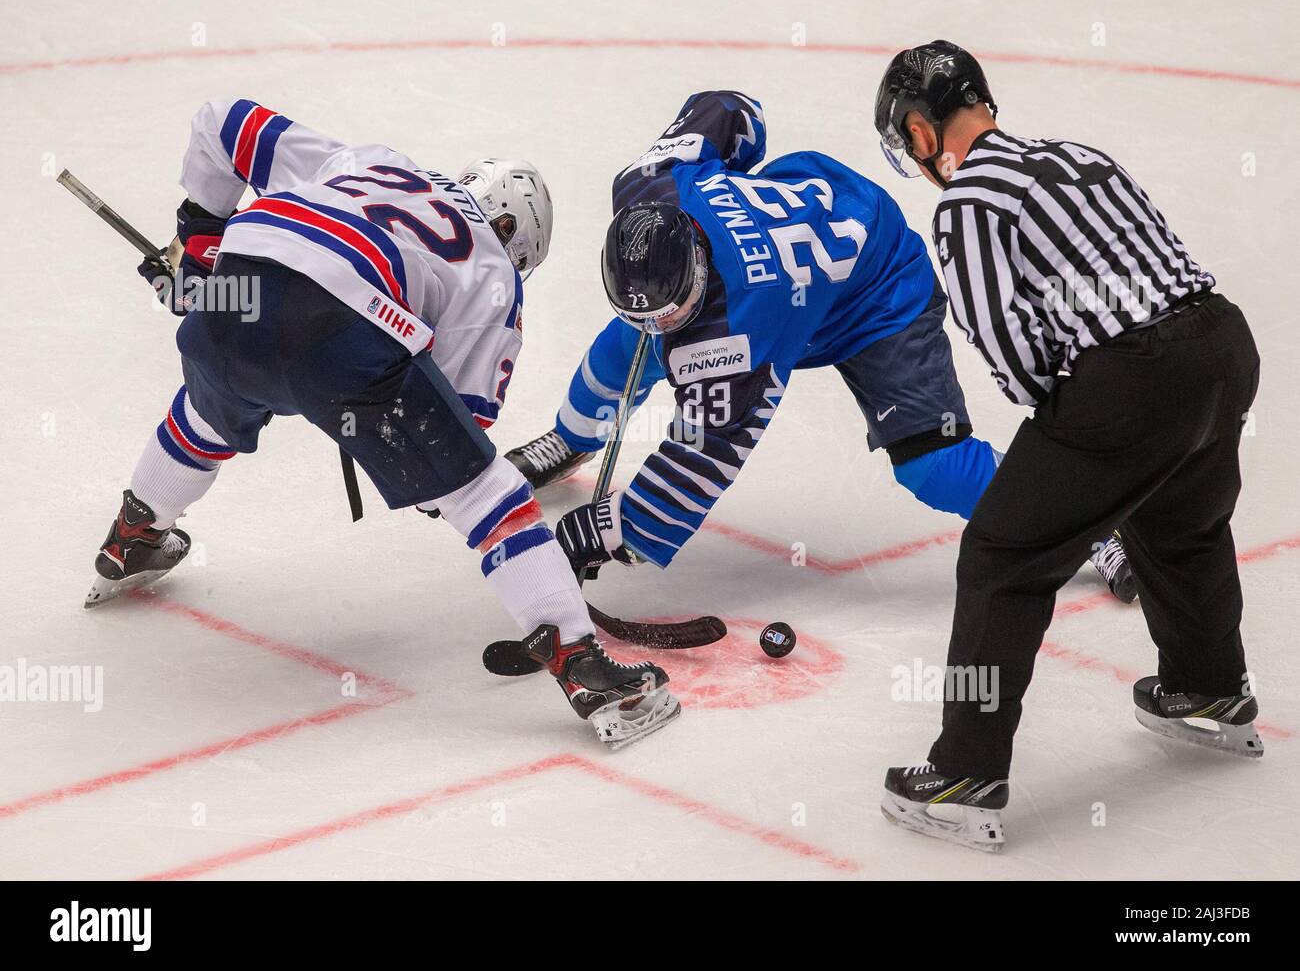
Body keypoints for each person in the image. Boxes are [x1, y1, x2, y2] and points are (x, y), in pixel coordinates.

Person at [84, 99, 680, 749]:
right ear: (508, 225)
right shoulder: (494, 272)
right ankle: (584, 668)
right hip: (341, 330)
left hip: (237, 283)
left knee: (209, 403)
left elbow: (220, 122)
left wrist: (198, 254)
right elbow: (462, 430)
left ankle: (134, 534)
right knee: (487, 495)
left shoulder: (374, 162)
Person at [505, 90, 1134, 603]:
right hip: (816, 212)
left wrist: (625, 525)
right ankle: (571, 438)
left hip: (878, 289)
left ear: (700, 272)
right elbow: (729, 107)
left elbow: (706, 454)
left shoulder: (739, 328)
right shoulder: (651, 182)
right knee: (627, 347)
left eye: (674, 311)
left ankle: (1095, 522)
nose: (663, 324)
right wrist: (739, 185)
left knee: (932, 464)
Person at [873, 41, 1263, 851]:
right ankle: (1208, 691)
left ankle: (964, 774)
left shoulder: (969, 199)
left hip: (1135, 379)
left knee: (1001, 554)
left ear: (920, 131)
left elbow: (1007, 343)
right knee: (1179, 523)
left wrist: (1078, 431)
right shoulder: (1078, 156)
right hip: (1222, 346)